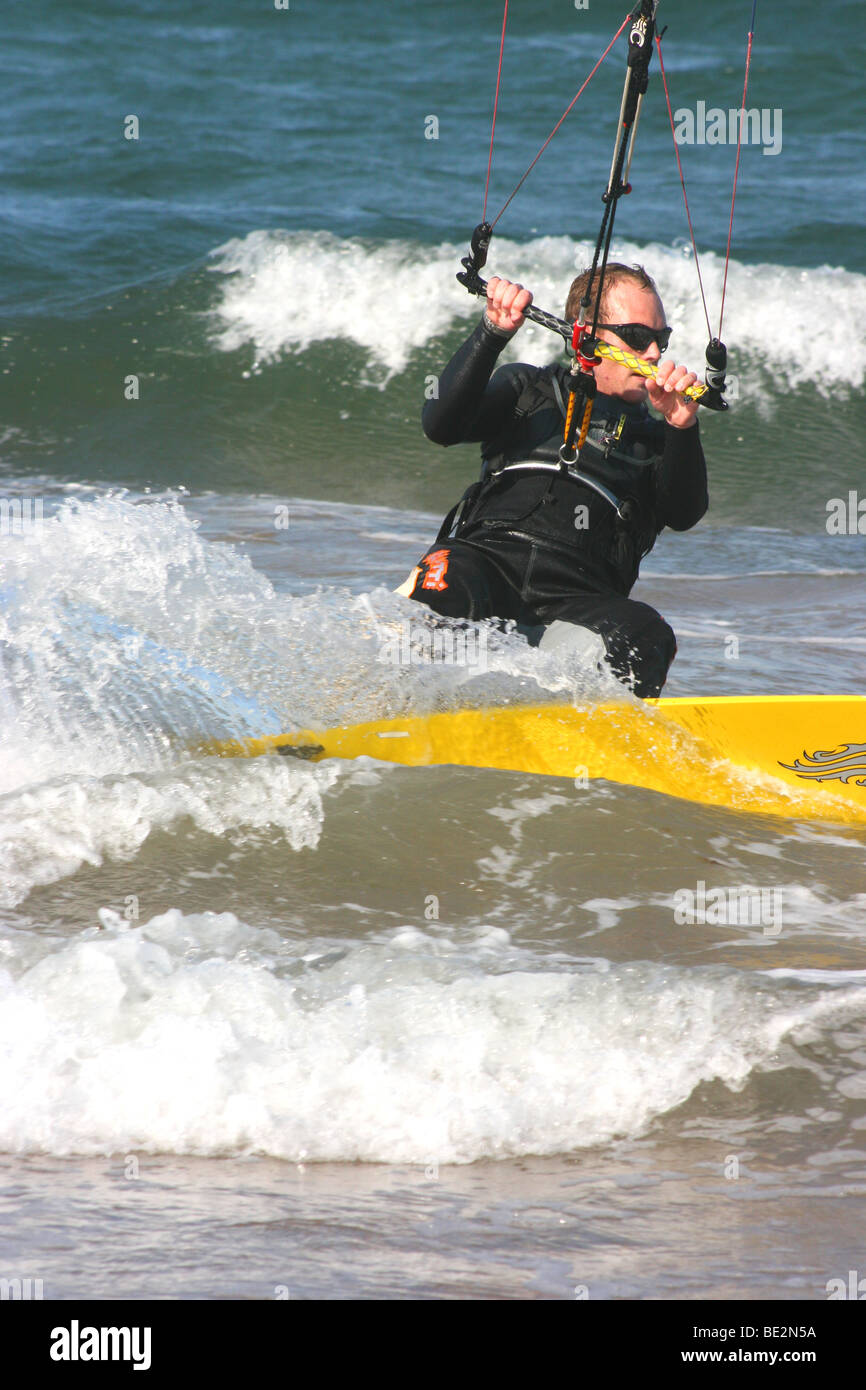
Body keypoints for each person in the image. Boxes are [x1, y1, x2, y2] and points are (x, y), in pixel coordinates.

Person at [400, 263, 708, 698]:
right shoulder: (528, 390)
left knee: (648, 633)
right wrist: (492, 333)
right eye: (638, 338)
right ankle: (375, 703)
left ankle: (597, 744)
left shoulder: (659, 439)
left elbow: (684, 512)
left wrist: (680, 425)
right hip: (486, 568)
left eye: (662, 340)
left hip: (578, 602)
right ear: (586, 333)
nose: (654, 354)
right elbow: (440, 424)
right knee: (445, 574)